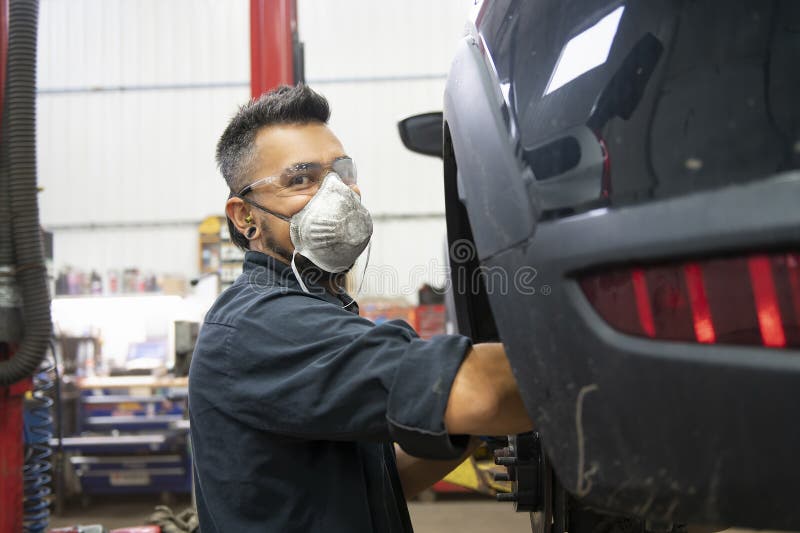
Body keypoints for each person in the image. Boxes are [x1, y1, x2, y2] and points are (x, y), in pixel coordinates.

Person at [188, 84, 533, 532]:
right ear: (245, 216)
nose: (338, 193)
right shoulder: (262, 324)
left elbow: (378, 482)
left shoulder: (315, 306)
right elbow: (483, 390)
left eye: (341, 173)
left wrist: (467, 421)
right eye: (301, 179)